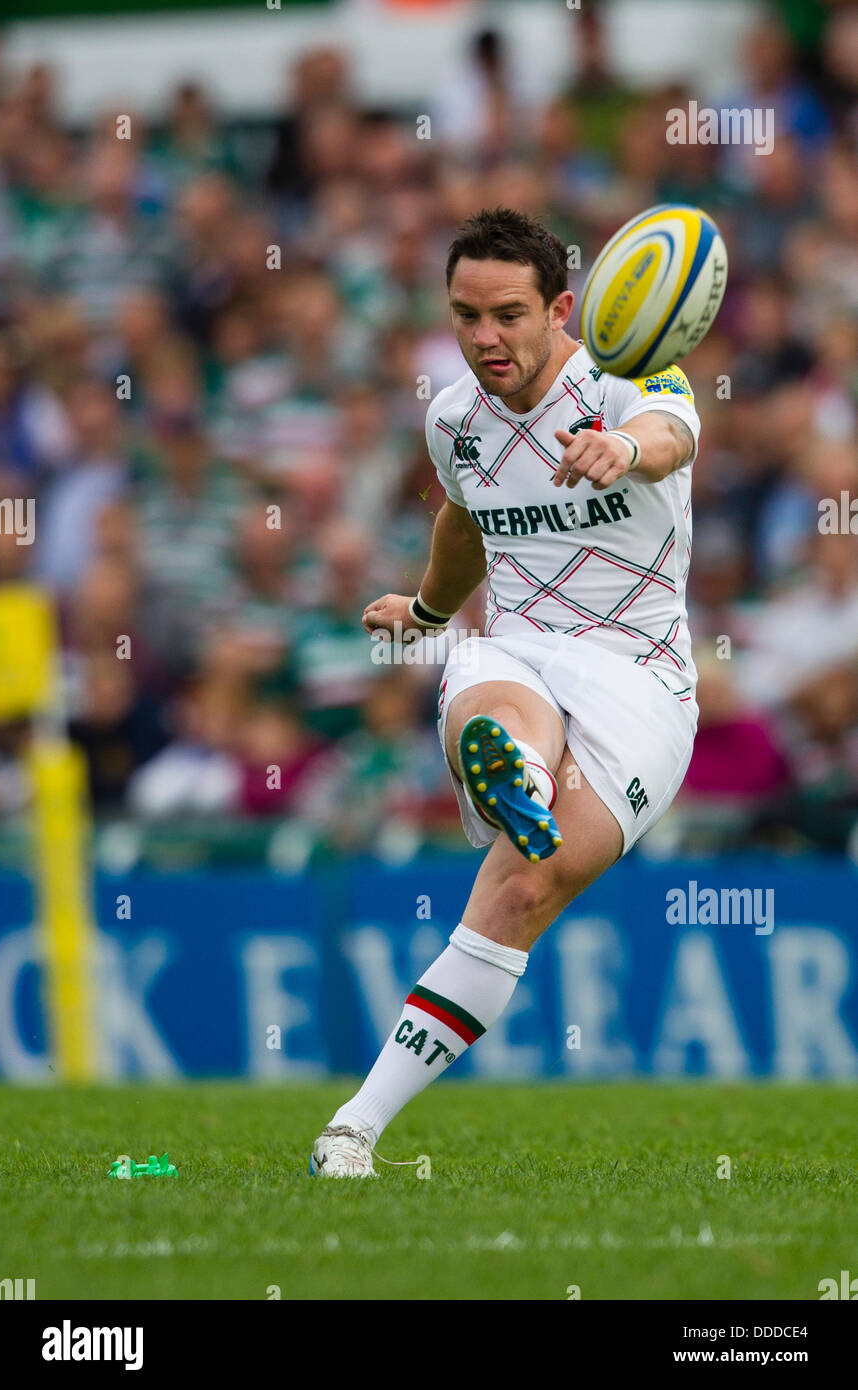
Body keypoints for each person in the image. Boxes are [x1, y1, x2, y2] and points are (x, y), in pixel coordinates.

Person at [310, 206, 701, 1176]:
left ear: (560, 307)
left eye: (508, 315)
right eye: (463, 315)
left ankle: (516, 785)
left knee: (523, 887)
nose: (483, 337)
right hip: (516, 645)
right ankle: (348, 1135)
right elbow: (463, 524)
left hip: (641, 678)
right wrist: (430, 614)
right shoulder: (452, 417)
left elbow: (669, 436)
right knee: (494, 692)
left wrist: (624, 449)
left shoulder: (629, 376)